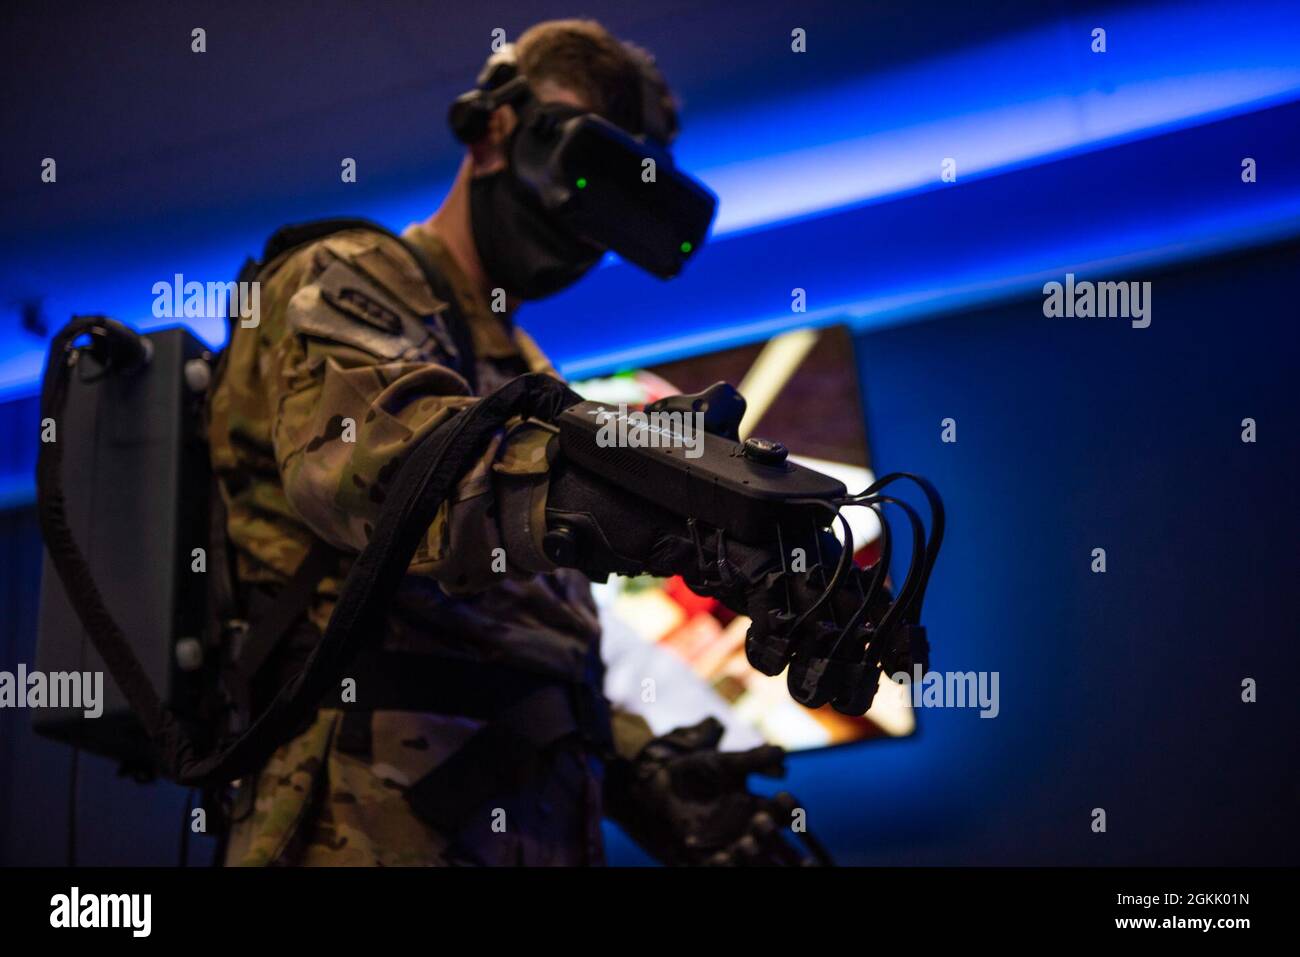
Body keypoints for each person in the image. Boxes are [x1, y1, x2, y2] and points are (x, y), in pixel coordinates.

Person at [207, 17, 824, 867]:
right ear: (495, 127)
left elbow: (523, 635)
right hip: (361, 825)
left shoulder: (522, 371)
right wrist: (621, 488)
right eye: (582, 171)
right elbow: (384, 476)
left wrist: (641, 768)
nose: (584, 229)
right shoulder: (343, 274)